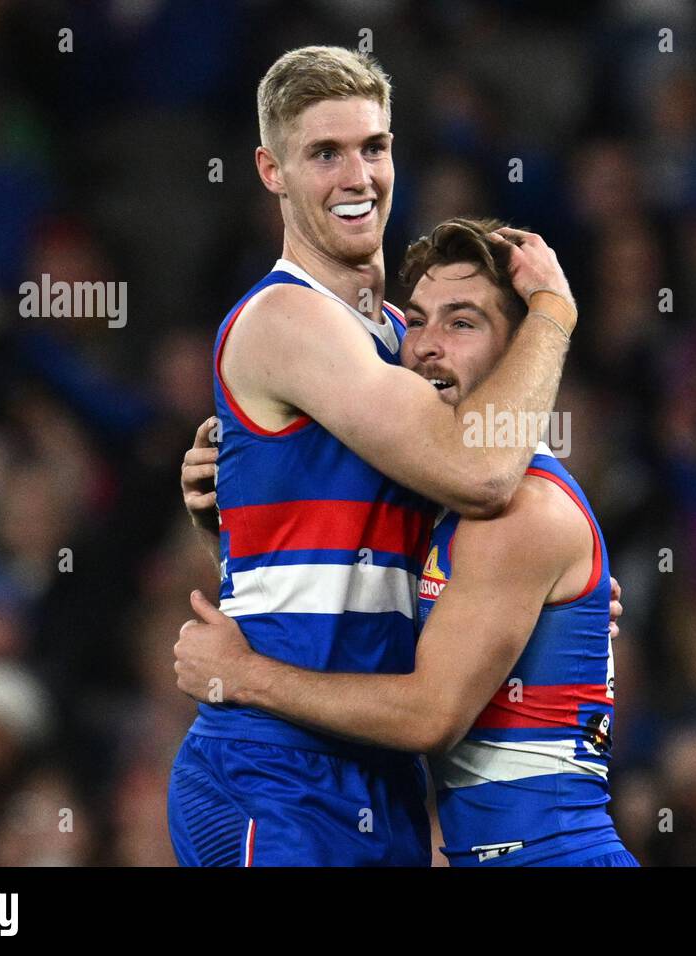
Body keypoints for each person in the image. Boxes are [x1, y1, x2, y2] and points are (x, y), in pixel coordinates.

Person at [167, 46, 579, 867]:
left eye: (374, 147)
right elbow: (483, 470)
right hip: (274, 769)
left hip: (379, 767)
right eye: (324, 152)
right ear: (270, 169)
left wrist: (561, 602)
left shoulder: (399, 341)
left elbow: (443, 523)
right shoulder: (290, 319)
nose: (358, 174)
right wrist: (553, 314)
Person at [176, 218, 635, 867]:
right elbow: (343, 609)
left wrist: (244, 676)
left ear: (519, 357)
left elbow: (427, 716)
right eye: (417, 320)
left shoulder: (520, 512)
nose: (424, 346)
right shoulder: (444, 512)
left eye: (463, 323)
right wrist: (231, 519)